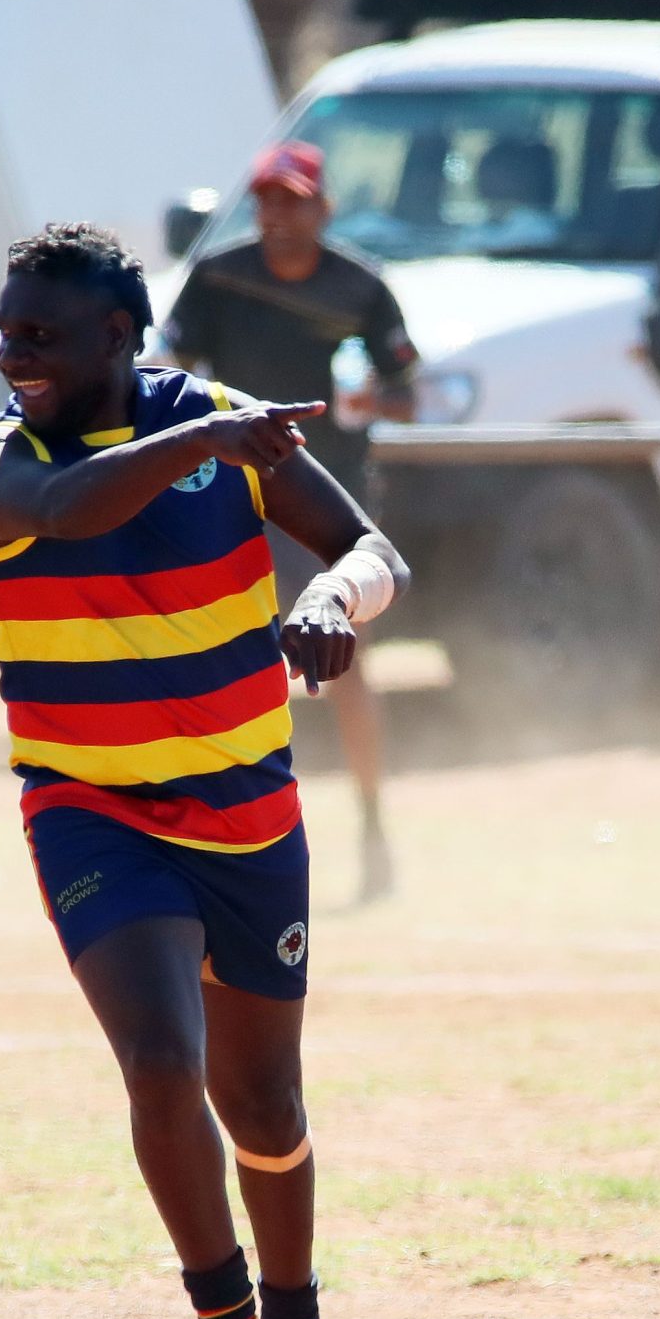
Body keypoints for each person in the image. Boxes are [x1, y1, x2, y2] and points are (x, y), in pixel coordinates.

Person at [0, 224, 409, 1319]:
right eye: (4, 329)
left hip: (247, 814)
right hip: (92, 809)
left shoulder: (224, 431)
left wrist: (331, 604)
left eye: (37, 334)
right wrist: (209, 442)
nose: (9, 353)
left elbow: (373, 546)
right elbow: (60, 511)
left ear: (117, 339)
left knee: (263, 1106)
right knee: (161, 1061)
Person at [162, 141, 417, 903]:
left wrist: (370, 396)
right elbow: (169, 370)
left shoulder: (360, 288)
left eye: (293, 200)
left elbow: (407, 389)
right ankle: (209, 841)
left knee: (345, 669)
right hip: (230, 501)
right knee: (217, 668)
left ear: (322, 208)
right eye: (267, 200)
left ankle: (373, 831)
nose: (278, 216)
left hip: (325, 508)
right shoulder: (217, 279)